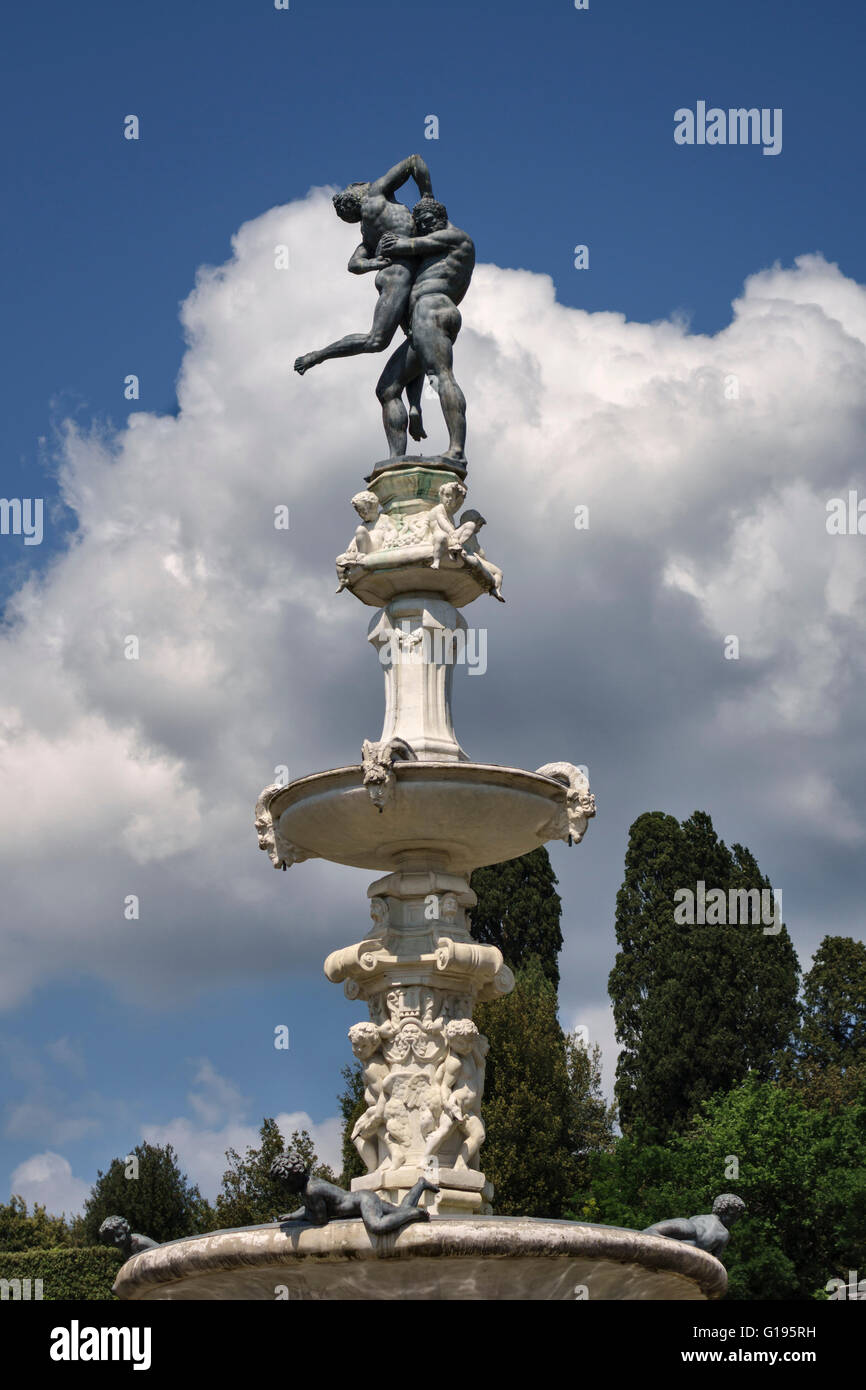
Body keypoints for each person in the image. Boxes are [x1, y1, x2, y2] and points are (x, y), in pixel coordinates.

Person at [294, 154, 433, 460]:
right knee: (377, 340)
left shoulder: (367, 230)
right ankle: (318, 355)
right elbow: (414, 161)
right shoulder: (377, 194)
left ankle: (414, 406)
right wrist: (426, 199)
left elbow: (354, 263)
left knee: (417, 340)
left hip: (398, 275)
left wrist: (373, 261)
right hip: (397, 276)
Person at [375, 197, 475, 462]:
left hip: (434, 308)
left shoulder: (456, 238)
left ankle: (456, 450)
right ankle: (396, 459)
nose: (426, 227)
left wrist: (392, 243)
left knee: (441, 375)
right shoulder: (433, 252)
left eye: (429, 222)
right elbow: (419, 358)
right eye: (421, 224)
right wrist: (415, 406)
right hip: (423, 318)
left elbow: (414, 244)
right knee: (387, 389)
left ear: (442, 217)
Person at [271, 1153, 438, 1238]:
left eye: (283, 1182)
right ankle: (420, 1184)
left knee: (377, 1226)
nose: (283, 1187)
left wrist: (301, 1218)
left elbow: (320, 1219)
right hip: (363, 1198)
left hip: (362, 1202)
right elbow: (310, 1208)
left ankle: (414, 1213)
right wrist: (294, 1215)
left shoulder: (311, 1190)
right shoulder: (310, 1183)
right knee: (400, 1210)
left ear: (293, 1177)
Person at [642, 1194, 746, 1258]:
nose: (735, 1220)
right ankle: (651, 1233)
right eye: (734, 1216)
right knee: (688, 1231)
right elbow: (716, 1258)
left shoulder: (699, 1217)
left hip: (688, 1239)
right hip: (692, 1246)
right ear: (726, 1213)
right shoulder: (724, 1233)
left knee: (686, 1226)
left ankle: (651, 1232)